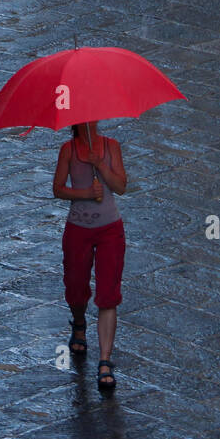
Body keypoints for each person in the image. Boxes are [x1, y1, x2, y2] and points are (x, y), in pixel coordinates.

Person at [52, 121, 127, 391]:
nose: (90, 121)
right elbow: (58, 188)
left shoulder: (111, 147)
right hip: (78, 229)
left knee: (109, 293)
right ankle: (79, 323)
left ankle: (105, 361)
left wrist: (102, 165)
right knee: (75, 286)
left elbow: (121, 186)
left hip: (110, 230)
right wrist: (84, 193)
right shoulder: (68, 150)